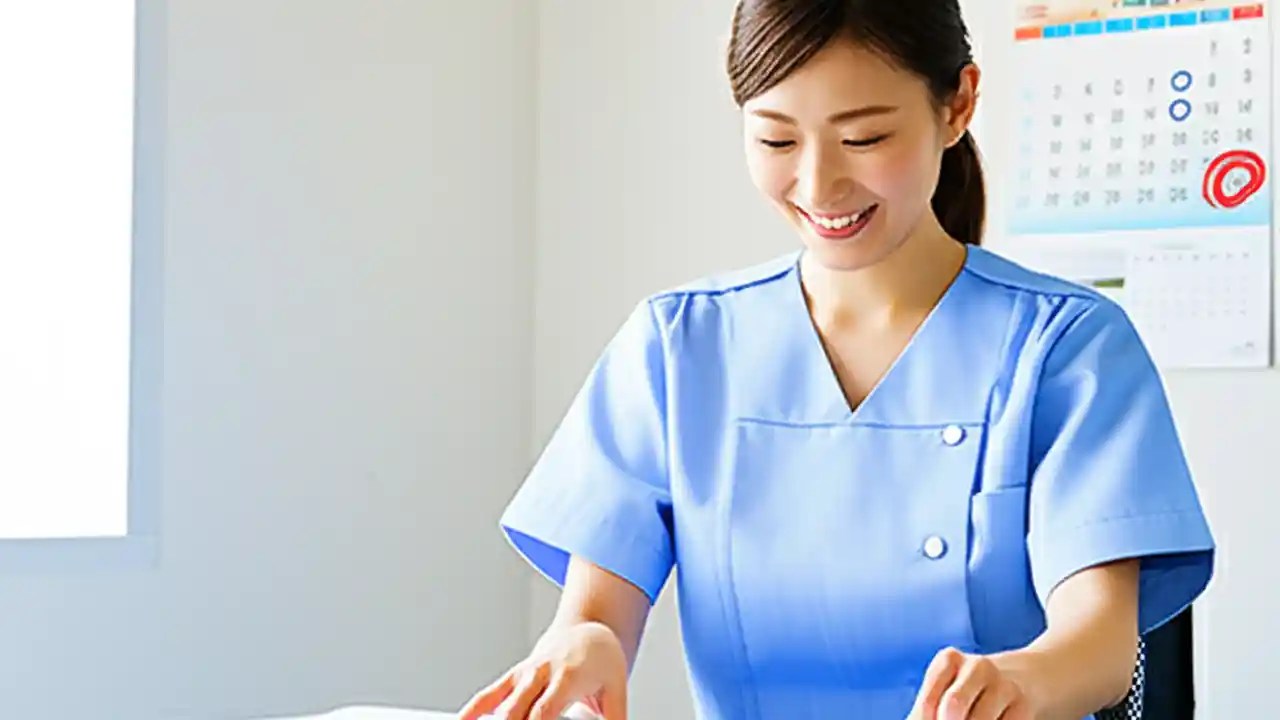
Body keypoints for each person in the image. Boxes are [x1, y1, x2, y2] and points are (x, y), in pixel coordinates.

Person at [460, 1, 1216, 718]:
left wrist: (1019, 678)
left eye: (863, 139)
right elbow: (597, 611)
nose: (819, 184)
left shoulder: (1067, 346)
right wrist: (583, 644)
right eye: (777, 140)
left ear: (956, 105)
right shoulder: (677, 345)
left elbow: (1100, 645)